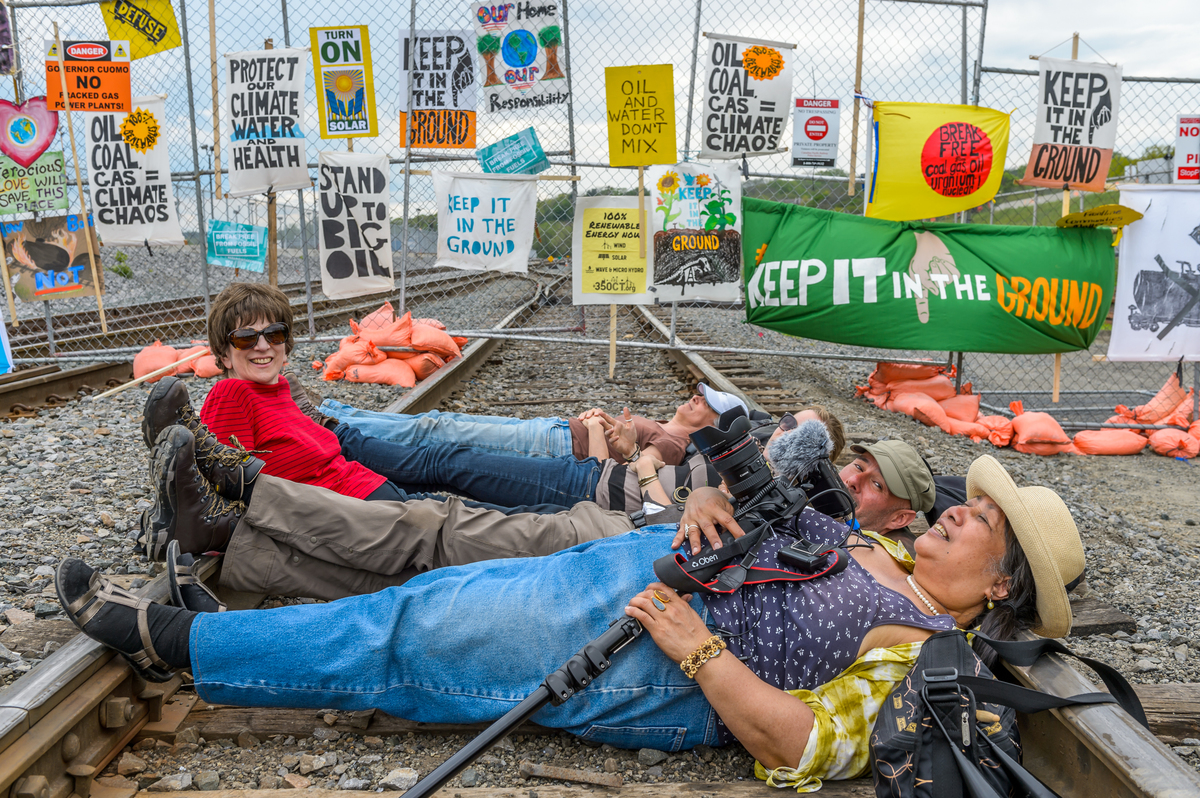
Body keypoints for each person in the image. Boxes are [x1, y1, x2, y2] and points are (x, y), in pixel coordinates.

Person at [56, 454, 1084, 791]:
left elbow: (804, 745)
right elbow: (754, 516)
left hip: (647, 659)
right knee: (416, 600)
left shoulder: (919, 650)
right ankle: (223, 634)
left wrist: (702, 649)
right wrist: (697, 504)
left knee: (406, 641)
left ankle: (175, 645)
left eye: (986, 524)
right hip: (630, 575)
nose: (963, 507)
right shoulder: (888, 555)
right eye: (973, 499)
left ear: (999, 589)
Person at [332, 406, 846, 514]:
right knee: (451, 461)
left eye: (790, 429)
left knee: (452, 463)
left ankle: (337, 443)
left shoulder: (760, 496)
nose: (775, 427)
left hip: (588, 490)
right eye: (782, 419)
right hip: (592, 476)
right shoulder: (737, 457)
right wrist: (627, 448)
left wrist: (639, 467)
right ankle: (339, 450)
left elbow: (661, 519)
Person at [318, 380, 748, 466]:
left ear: (716, 423)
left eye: (706, 401)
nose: (696, 396)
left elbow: (632, 472)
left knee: (436, 430)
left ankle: (331, 420)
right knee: (438, 425)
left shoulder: (674, 445)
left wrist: (600, 428)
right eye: (699, 392)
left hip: (554, 447)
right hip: (554, 433)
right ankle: (337, 413)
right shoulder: (671, 433)